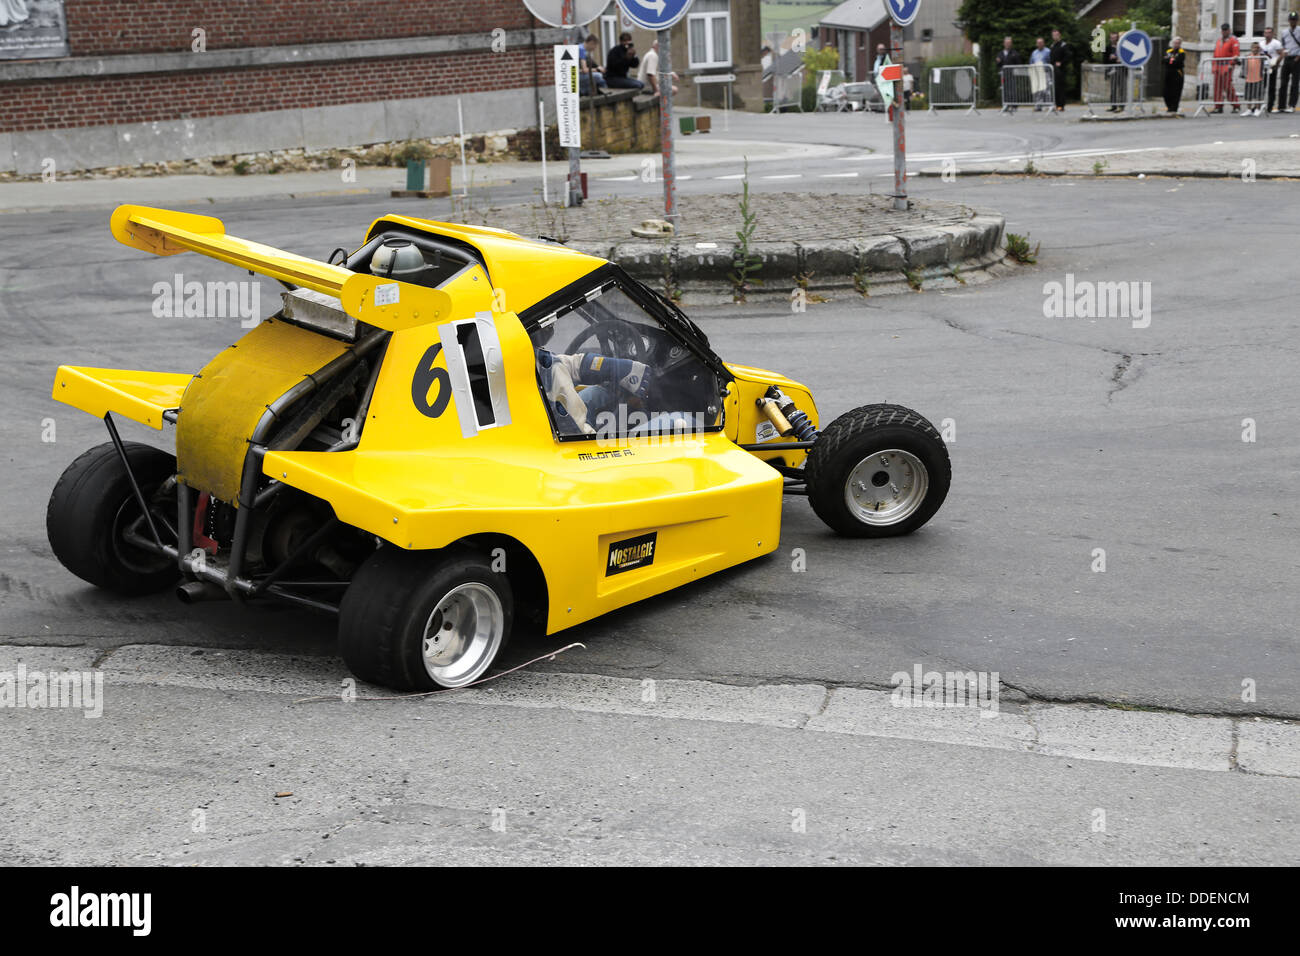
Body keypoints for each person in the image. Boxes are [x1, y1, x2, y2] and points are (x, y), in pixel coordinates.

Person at [1211, 22, 1240, 114]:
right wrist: (1213, 65)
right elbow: (1215, 54)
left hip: (1227, 65)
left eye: (1226, 30)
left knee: (1227, 86)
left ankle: (1236, 105)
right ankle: (1218, 106)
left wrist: (1231, 65)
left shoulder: (1233, 40)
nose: (1224, 32)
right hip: (1218, 65)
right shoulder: (1219, 41)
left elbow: (1236, 54)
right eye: (1223, 30)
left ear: (1229, 30)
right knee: (1217, 87)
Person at [996, 37, 1022, 112]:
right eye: (1006, 43)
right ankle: (1006, 105)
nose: (1008, 44)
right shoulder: (1000, 53)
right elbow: (998, 63)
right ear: (1004, 44)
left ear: (1011, 44)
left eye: (1009, 43)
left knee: (1012, 90)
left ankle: (1014, 105)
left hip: (1012, 74)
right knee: (1005, 90)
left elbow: (1018, 63)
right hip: (1003, 75)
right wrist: (998, 62)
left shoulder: (1014, 53)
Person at [1260, 26, 1283, 113]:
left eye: (1269, 33)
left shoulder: (1276, 43)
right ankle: (1260, 104)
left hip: (1272, 67)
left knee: (1271, 87)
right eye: (1266, 33)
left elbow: (1281, 54)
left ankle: (1270, 105)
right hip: (1263, 67)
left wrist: (1276, 63)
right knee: (1262, 86)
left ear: (1272, 34)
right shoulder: (1261, 43)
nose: (1267, 35)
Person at [1282, 12, 1300, 113]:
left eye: (1295, 19)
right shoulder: (1284, 32)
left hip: (1296, 59)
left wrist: (1298, 57)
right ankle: (1282, 105)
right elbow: (1283, 44)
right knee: (1283, 82)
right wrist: (1284, 52)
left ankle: (1292, 105)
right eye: (1291, 19)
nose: (1293, 21)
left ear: (1297, 21)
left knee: (1294, 83)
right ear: (1289, 20)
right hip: (1287, 58)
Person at [1162, 37, 1186, 113]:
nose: (1176, 45)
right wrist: (1170, 60)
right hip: (1168, 73)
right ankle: (1169, 106)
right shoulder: (1169, 51)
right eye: (1175, 43)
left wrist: (1169, 60)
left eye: (1178, 43)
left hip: (1177, 74)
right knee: (1166, 92)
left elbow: (1178, 62)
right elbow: (1163, 60)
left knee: (1176, 91)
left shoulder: (1182, 52)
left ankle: (1174, 107)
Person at [1050, 28, 1071, 112]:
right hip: (1053, 69)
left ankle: (1061, 105)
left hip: (1061, 70)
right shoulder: (1052, 45)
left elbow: (1068, 56)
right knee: (1055, 88)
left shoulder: (1063, 45)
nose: (1055, 36)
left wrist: (1061, 63)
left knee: (1060, 88)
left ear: (1059, 35)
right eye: (1053, 35)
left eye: (1056, 35)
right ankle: (1056, 104)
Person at [1243, 41, 1267, 116]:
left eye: (1257, 47)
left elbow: (1267, 63)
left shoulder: (1262, 56)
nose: (1255, 49)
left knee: (1258, 95)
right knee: (1248, 96)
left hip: (1258, 78)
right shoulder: (1247, 56)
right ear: (1251, 48)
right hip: (1249, 78)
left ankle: (1257, 109)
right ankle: (1248, 109)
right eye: (1254, 47)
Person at [1029, 37, 1052, 111]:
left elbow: (1050, 61)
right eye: (1038, 43)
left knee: (1046, 90)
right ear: (1036, 44)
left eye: (1041, 42)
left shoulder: (1048, 51)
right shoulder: (1034, 52)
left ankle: (1048, 105)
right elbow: (1031, 62)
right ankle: (1038, 106)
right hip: (1036, 74)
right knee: (1037, 90)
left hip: (1045, 73)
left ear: (1043, 43)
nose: (1039, 44)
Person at [1104, 32, 1123, 111]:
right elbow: (1104, 59)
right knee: (1113, 88)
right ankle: (1113, 106)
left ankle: (1122, 106)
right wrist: (1110, 58)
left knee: (1122, 88)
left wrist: (1118, 58)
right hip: (1112, 70)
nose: (1113, 39)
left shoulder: (1121, 47)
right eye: (1112, 38)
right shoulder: (1108, 47)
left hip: (1121, 70)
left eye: (1115, 38)